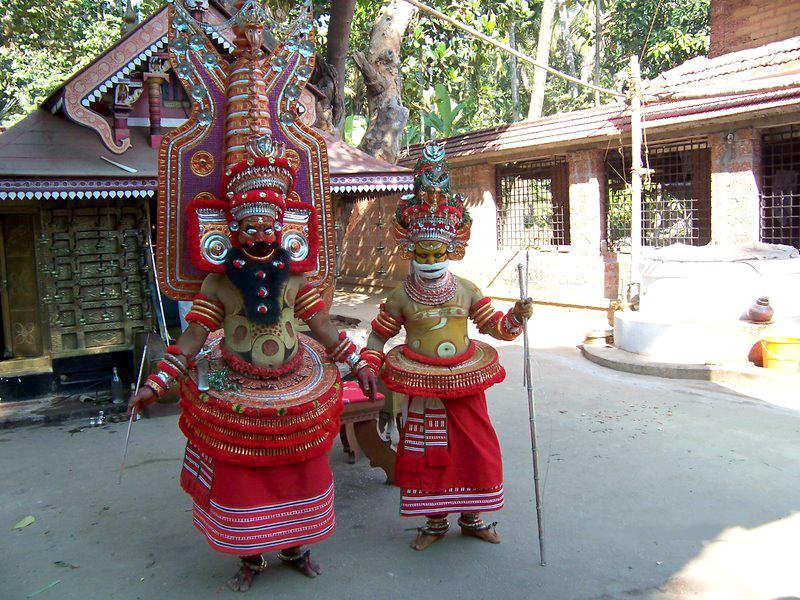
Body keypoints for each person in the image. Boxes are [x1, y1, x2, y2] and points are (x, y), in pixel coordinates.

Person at [129, 1, 376, 591]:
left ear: (285, 224)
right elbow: (191, 336)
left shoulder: (294, 279)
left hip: (296, 377)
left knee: (300, 471)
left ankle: (294, 546)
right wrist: (158, 383)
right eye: (251, 225)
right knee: (243, 477)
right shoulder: (218, 282)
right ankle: (250, 555)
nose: (263, 234)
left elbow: (323, 330)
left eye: (271, 224)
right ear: (231, 227)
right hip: (236, 379)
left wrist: (359, 364)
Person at [361, 142, 532, 551]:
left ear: (452, 249)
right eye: (423, 251)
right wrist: (368, 363)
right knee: (424, 452)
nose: (432, 257)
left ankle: (472, 517)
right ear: (411, 251)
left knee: (475, 450)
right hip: (420, 390)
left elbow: (496, 328)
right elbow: (378, 337)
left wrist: (517, 318)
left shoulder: (468, 290)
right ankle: (435, 522)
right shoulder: (401, 296)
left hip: (465, 385)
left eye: (439, 251)